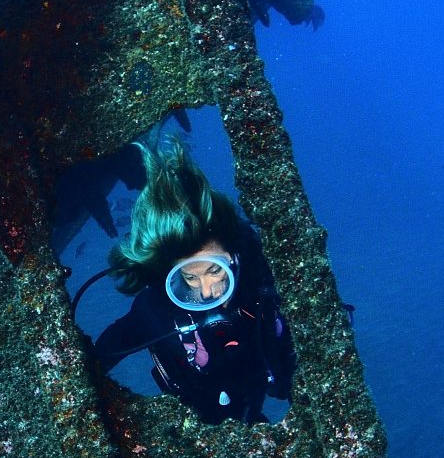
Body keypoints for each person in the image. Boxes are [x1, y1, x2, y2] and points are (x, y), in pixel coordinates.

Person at [92, 138, 295, 424]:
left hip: (257, 395)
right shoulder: (156, 311)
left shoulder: (265, 282)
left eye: (215, 271)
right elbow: (101, 356)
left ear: (233, 256)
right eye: (189, 277)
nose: (208, 291)